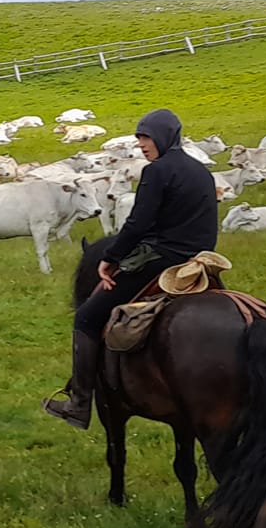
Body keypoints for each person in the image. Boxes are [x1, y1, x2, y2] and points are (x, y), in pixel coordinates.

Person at [42, 108, 218, 429]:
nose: (141, 144)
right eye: (139, 138)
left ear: (165, 136)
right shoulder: (200, 171)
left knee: (86, 317)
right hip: (199, 262)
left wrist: (111, 257)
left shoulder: (157, 172)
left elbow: (137, 224)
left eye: (147, 137)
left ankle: (80, 403)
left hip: (162, 262)